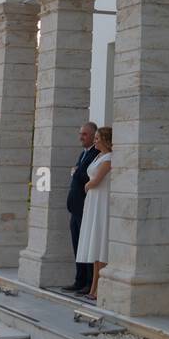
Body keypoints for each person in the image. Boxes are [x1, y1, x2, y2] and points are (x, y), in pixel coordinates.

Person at [75, 126, 112, 301]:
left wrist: (87, 185)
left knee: (101, 242)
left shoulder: (109, 158)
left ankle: (99, 288)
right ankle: (93, 287)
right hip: (93, 202)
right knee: (94, 243)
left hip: (101, 201)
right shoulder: (98, 156)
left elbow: (95, 181)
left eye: (97, 138)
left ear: (105, 140)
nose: (95, 140)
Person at [62, 122, 98, 295]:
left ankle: (89, 282)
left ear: (93, 135)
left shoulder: (96, 154)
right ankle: (79, 279)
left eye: (84, 134)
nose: (80, 137)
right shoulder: (83, 153)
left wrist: (76, 172)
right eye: (80, 133)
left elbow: (89, 177)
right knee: (77, 245)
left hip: (85, 208)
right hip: (75, 208)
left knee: (86, 246)